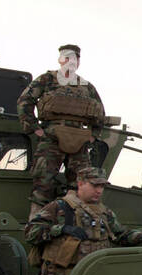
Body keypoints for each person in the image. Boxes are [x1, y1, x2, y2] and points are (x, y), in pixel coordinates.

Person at [24, 166, 142, 275]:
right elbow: (30, 232)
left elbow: (119, 234)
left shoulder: (104, 212)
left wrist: (141, 236)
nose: (99, 190)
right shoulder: (60, 207)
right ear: (80, 183)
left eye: (102, 186)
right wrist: (61, 229)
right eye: (94, 185)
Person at [18, 44, 106, 216]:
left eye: (74, 58)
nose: (71, 61)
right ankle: (37, 223)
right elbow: (24, 102)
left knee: (81, 184)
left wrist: (93, 136)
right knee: (43, 183)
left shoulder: (86, 86)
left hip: (79, 140)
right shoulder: (46, 80)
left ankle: (76, 221)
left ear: (78, 61)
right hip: (52, 137)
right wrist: (35, 128)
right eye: (67, 57)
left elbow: (100, 113)